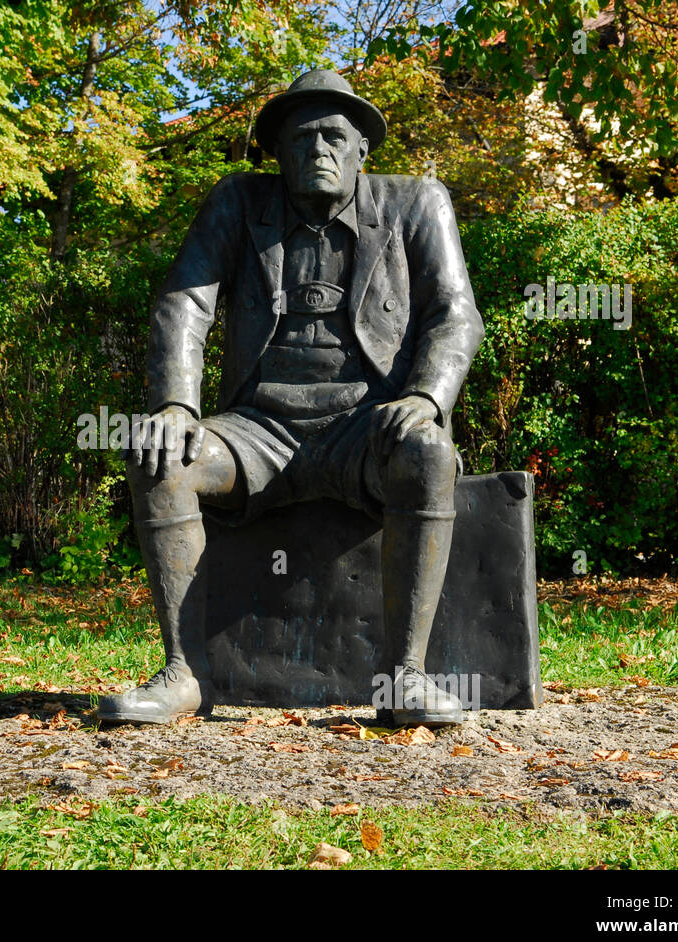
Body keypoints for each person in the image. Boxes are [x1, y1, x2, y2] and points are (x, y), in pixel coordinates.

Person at [97, 69, 485, 727]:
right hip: (256, 427)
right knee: (158, 457)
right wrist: (177, 406)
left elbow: (455, 313)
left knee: (426, 454)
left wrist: (424, 397)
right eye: (300, 140)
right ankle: (183, 673)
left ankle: (406, 680)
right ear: (277, 153)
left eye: (335, 137)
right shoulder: (237, 203)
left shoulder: (418, 203)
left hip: (367, 427)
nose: (318, 152)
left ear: (364, 149)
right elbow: (185, 303)